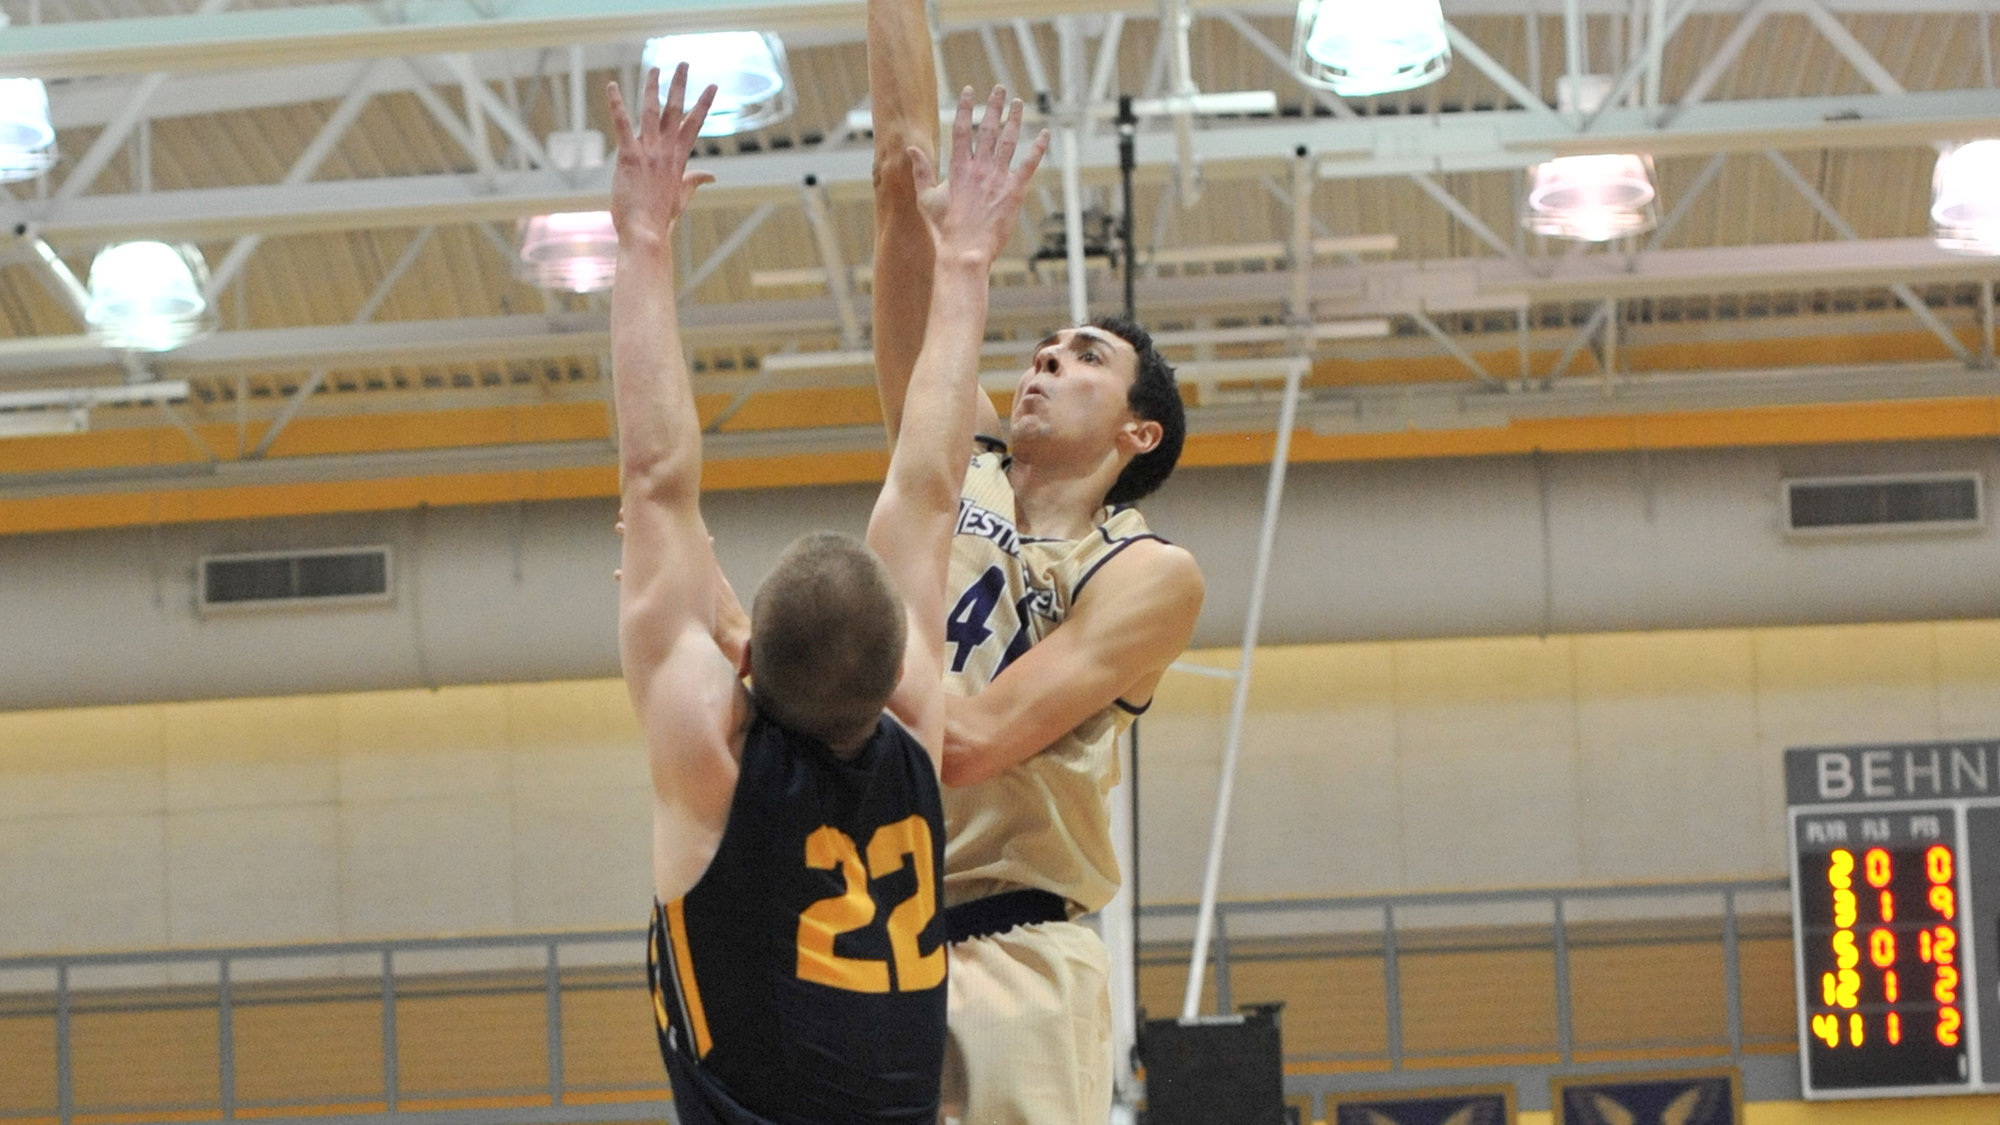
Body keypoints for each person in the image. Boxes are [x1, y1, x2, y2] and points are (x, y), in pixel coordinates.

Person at [609, 59, 1048, 1125]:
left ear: (743, 660)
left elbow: (658, 478)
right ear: (901, 660)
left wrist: (643, 239)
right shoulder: (913, 724)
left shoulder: (713, 764)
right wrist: (966, 261)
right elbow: (931, 478)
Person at [867, 3, 1207, 1123]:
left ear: (1137, 432)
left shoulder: (1148, 570)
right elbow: (901, 188)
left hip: (1017, 948)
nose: (1044, 359)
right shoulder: (952, 462)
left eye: (1083, 359)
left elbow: (963, 744)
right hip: (871, 930)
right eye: (1042, 347)